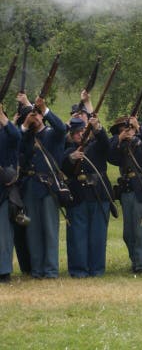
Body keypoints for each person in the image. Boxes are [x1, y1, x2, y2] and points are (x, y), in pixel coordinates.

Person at [17, 93, 66, 279]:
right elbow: (15, 146)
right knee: (33, 231)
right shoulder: (26, 137)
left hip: (48, 187)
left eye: (37, 113)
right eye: (32, 114)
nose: (35, 116)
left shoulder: (52, 134)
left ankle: (51, 270)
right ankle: (37, 270)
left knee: (50, 230)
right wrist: (24, 125)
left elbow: (61, 128)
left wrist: (44, 109)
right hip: (30, 187)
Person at [62, 114, 112, 277]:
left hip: (98, 194)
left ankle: (97, 270)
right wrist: (71, 158)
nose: (79, 135)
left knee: (98, 235)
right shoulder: (68, 150)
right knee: (77, 236)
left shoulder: (97, 145)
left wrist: (97, 127)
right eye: (75, 132)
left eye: (82, 131)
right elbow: (62, 166)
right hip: (77, 197)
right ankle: (78, 270)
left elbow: (106, 144)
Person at [108, 115, 142, 274]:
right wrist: (119, 139)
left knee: (140, 230)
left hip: (140, 190)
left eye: (128, 129)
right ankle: (135, 261)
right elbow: (110, 156)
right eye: (122, 130)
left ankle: (141, 265)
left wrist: (139, 127)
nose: (126, 132)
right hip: (126, 191)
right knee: (128, 234)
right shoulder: (119, 147)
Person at [0, 104, 21, 283]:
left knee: (4, 234)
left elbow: (16, 135)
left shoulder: (8, 135)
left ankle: (4, 271)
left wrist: (1, 115)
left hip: (4, 191)